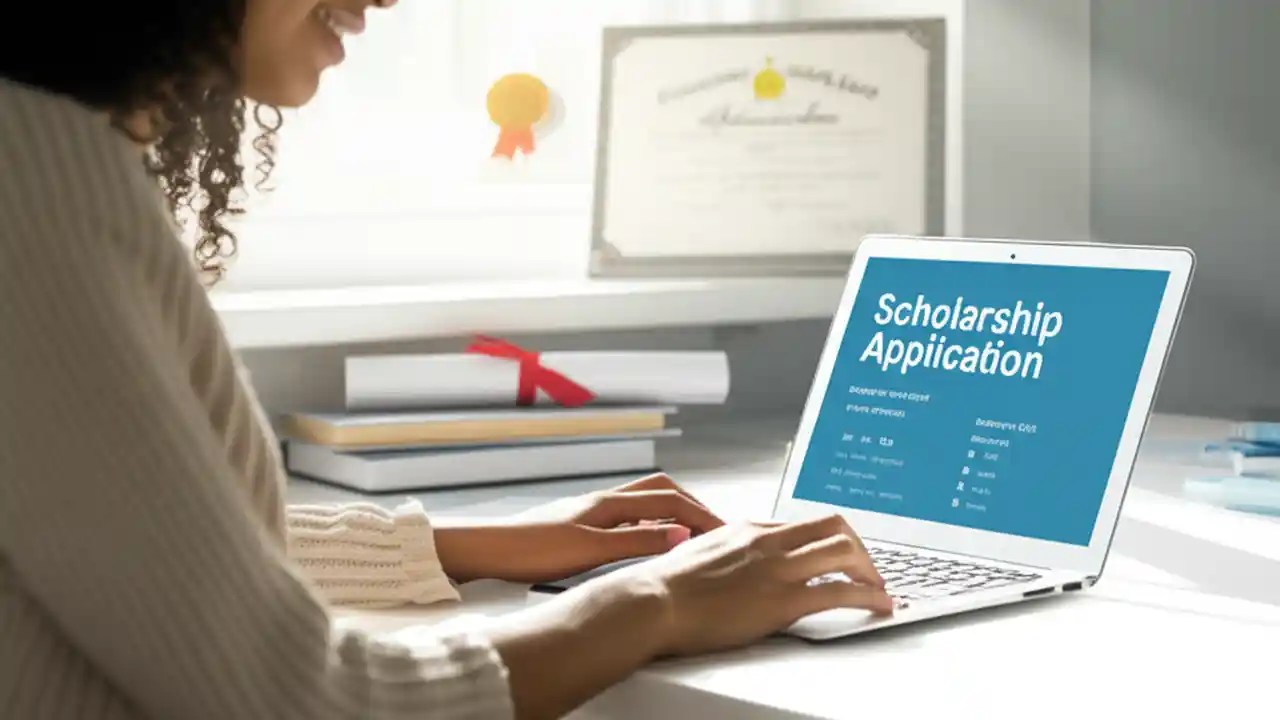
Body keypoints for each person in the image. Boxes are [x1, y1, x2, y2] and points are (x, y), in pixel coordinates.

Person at [0, 1, 893, 718]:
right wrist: (651, 604)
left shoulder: (47, 157)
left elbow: (136, 554)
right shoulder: (33, 188)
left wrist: (456, 547)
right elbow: (297, 698)